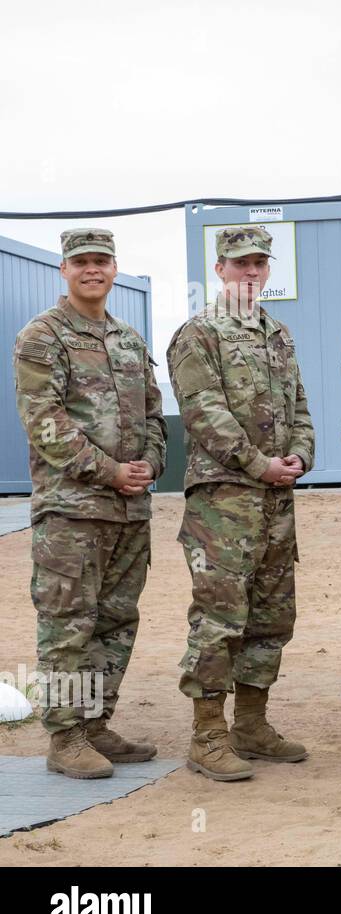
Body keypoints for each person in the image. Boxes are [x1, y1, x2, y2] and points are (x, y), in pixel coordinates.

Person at [14, 228, 166, 779]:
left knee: (116, 621)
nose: (92, 270)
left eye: (101, 260)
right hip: (72, 512)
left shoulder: (129, 339)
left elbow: (153, 415)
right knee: (68, 624)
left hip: (129, 513)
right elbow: (44, 423)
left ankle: (97, 724)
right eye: (81, 261)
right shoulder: (42, 337)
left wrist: (152, 463)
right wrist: (110, 471)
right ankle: (66, 737)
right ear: (64, 270)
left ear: (115, 268)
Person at [166, 225, 315, 782]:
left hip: (277, 501)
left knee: (272, 615)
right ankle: (207, 735)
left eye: (260, 264)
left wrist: (300, 454)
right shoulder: (198, 333)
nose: (251, 273)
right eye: (241, 264)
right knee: (220, 617)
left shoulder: (278, 334)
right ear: (220, 269)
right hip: (223, 503)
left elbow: (300, 402)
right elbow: (203, 412)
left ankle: (251, 725)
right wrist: (260, 465)